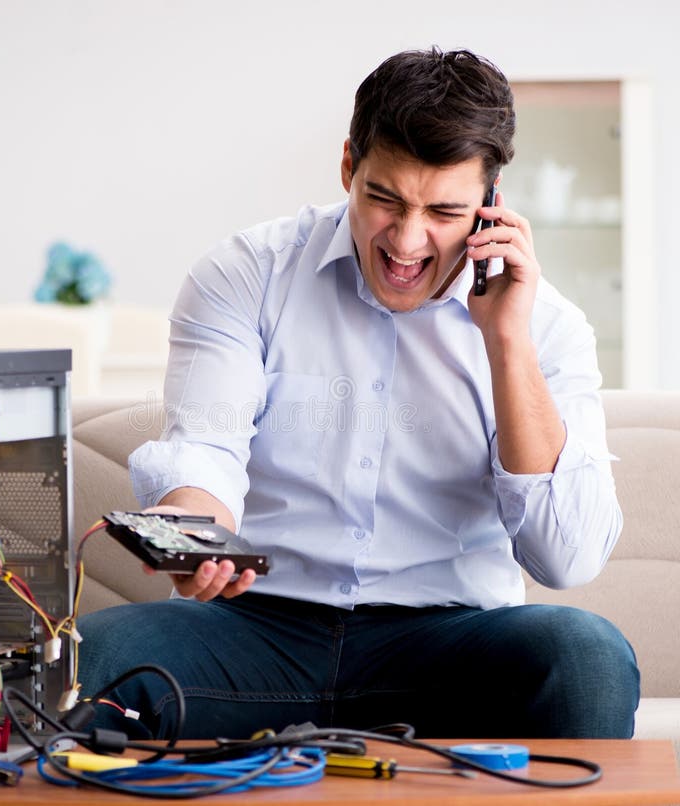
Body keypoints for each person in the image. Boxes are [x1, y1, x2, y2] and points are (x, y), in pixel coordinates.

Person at [77, 47, 639, 740]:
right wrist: (199, 542)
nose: (407, 241)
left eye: (443, 211)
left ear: (492, 204)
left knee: (588, 659)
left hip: (448, 642)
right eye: (384, 199)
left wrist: (506, 343)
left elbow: (567, 559)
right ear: (349, 165)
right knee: (96, 654)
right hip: (258, 632)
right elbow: (207, 448)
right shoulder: (246, 274)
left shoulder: (546, 327)